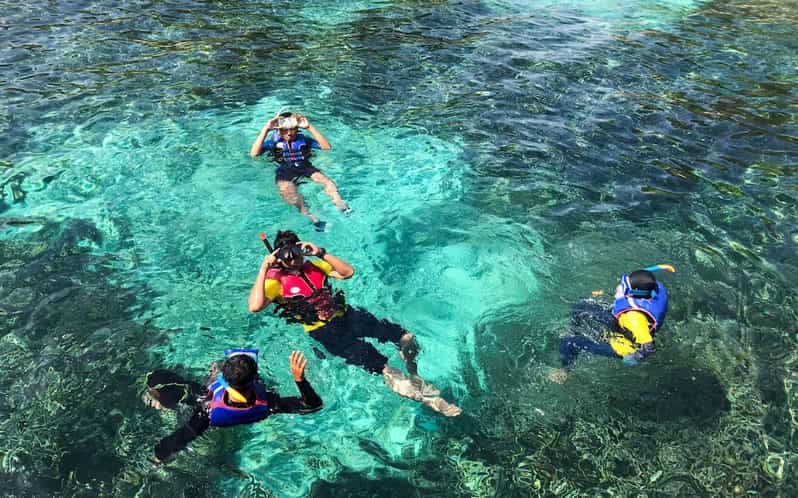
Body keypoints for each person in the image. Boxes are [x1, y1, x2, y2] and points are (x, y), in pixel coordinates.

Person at [247, 230, 462, 417]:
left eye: (297, 253)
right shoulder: (275, 281)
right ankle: (431, 400)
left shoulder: (314, 265)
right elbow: (255, 306)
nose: (294, 260)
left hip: (348, 316)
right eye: (288, 257)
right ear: (279, 258)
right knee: (383, 368)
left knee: (406, 337)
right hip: (325, 332)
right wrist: (263, 269)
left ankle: (414, 373)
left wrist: (320, 252)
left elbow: (347, 273)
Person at [144, 349, 322, 464]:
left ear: (224, 379)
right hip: (244, 405)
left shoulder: (207, 410)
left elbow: (177, 439)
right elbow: (313, 406)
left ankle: (159, 399)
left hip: (209, 404)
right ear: (255, 380)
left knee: (158, 379)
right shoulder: (268, 402)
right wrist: (299, 379)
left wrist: (158, 458)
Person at [554, 266, 672, 375]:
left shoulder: (633, 318)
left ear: (633, 294)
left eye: (623, 287)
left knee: (568, 343)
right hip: (622, 325)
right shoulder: (652, 289)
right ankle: (575, 331)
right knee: (581, 307)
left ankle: (564, 371)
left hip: (625, 346)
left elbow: (649, 346)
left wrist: (634, 359)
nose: (619, 287)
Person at [249, 112, 351, 231]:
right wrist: (266, 129)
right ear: (279, 130)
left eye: (293, 129)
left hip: (305, 166)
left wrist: (309, 127)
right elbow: (254, 154)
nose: (289, 133)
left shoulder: (304, 140)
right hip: (284, 170)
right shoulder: (273, 143)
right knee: (289, 194)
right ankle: (314, 219)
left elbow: (326, 147)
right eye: (285, 130)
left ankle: (341, 205)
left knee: (327, 182)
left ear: (297, 128)